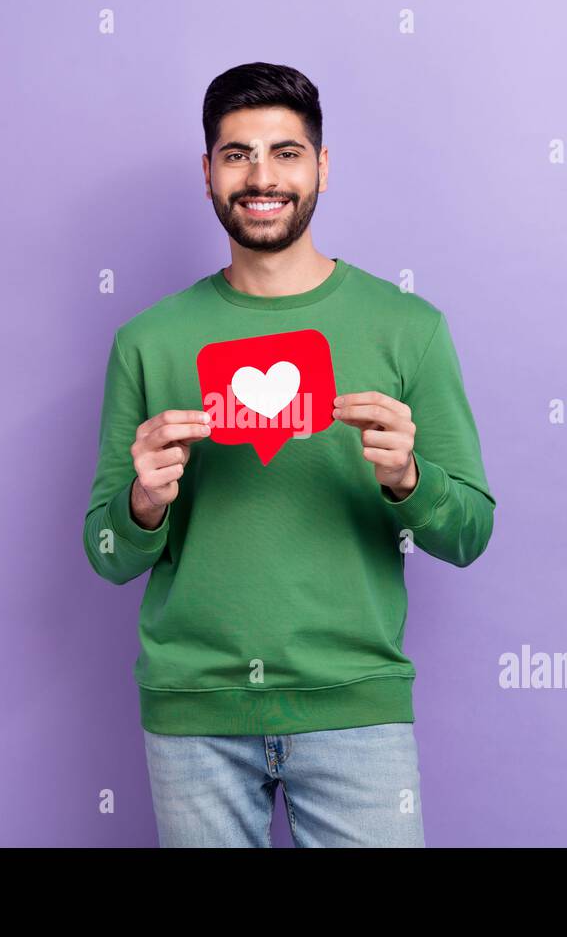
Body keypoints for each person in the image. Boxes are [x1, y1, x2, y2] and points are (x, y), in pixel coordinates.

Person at [82, 62, 496, 847]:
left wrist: (410, 481)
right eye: (237, 155)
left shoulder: (410, 329)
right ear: (207, 174)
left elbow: (470, 534)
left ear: (322, 168)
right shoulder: (148, 341)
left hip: (356, 712)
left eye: (286, 152)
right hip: (193, 716)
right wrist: (141, 506)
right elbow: (106, 555)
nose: (261, 176)